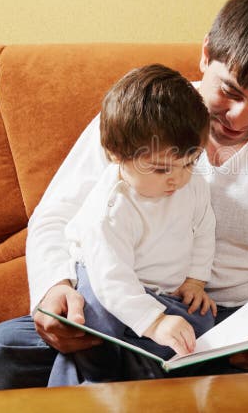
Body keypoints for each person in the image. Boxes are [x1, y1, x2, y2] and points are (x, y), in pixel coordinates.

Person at [0, 0, 248, 391]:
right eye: (231, 92)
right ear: (206, 53)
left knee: (158, 362)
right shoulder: (140, 115)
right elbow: (58, 216)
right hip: (129, 304)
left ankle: (111, 376)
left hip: (237, 327)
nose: (239, 118)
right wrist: (55, 289)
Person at [47, 64, 217, 386]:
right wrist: (155, 324)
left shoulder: (191, 184)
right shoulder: (110, 209)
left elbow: (204, 228)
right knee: (98, 320)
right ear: (115, 155)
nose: (178, 179)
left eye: (190, 162)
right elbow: (112, 279)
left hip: (159, 290)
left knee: (204, 322)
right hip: (102, 279)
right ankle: (82, 385)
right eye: (160, 170)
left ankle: (136, 357)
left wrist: (195, 280)